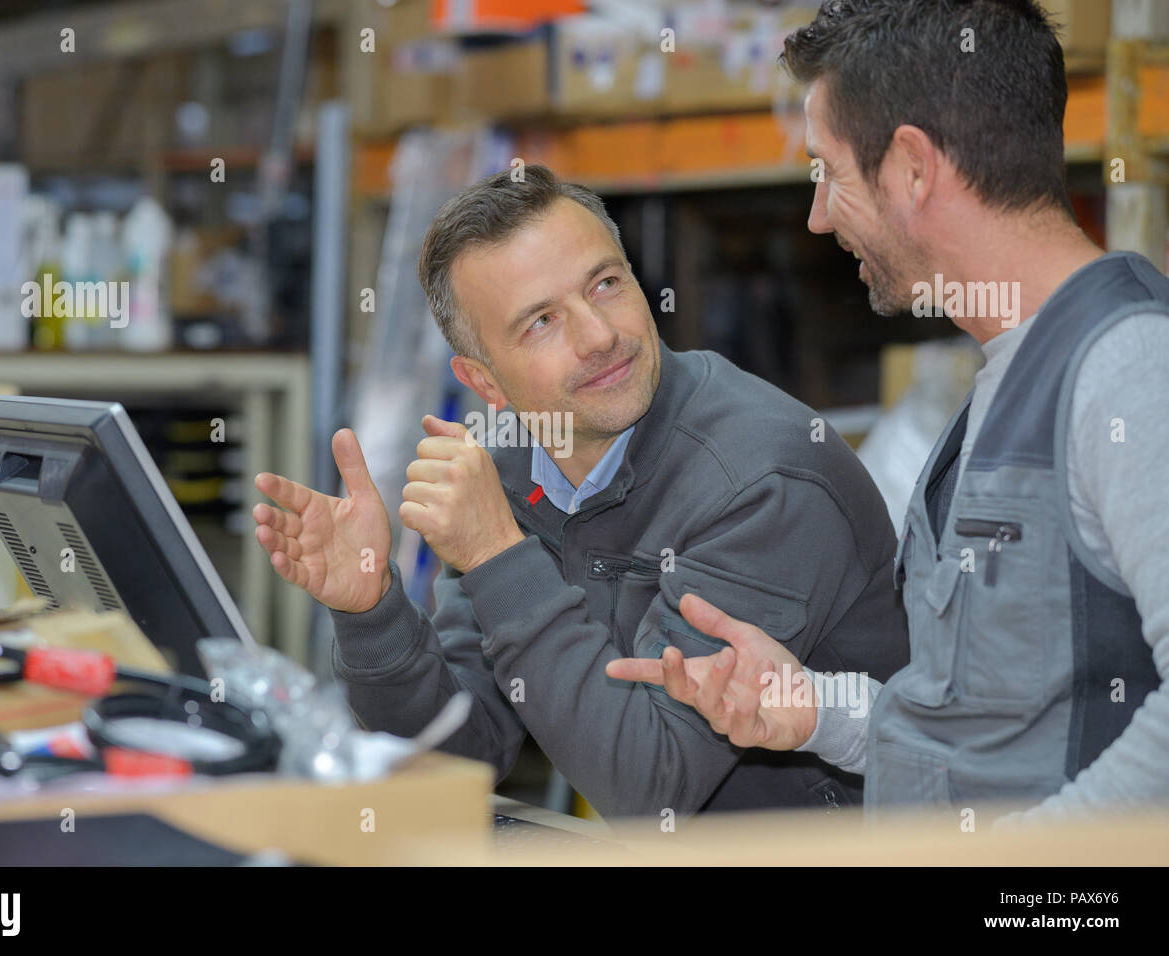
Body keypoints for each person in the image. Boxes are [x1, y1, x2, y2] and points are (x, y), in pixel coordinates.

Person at [608, 0, 1169, 824]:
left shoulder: (1128, 367)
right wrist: (813, 710)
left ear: (912, 166)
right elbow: (987, 732)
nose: (818, 215)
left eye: (826, 172)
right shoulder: (1007, 380)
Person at [253, 164, 908, 818]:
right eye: (541, 321)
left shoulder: (762, 479)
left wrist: (497, 557)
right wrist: (371, 611)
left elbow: (650, 784)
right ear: (484, 383)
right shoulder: (511, 475)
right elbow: (457, 750)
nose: (600, 336)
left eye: (605, 284)